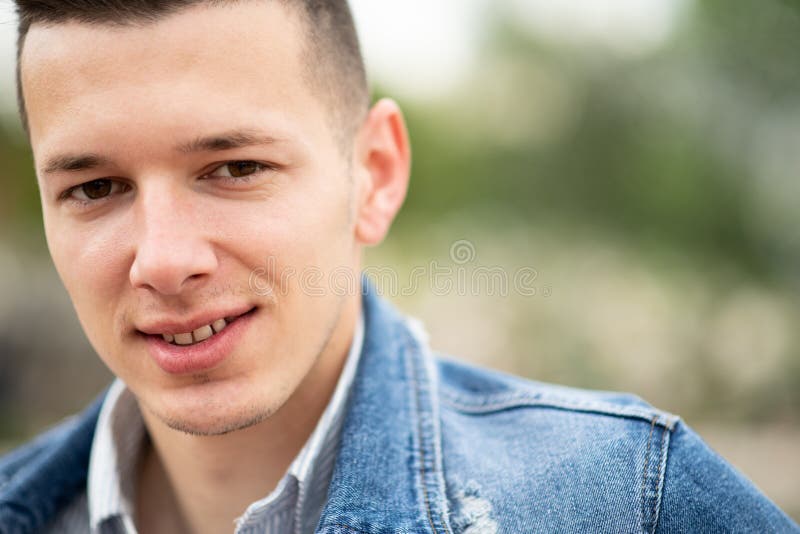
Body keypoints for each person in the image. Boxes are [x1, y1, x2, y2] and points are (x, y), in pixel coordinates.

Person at [0, 1, 797, 532]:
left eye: (234, 168)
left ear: (374, 175)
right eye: (94, 187)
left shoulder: (628, 502)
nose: (165, 261)